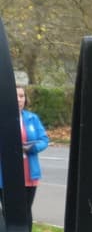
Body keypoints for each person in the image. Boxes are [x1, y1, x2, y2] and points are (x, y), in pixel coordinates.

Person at [0, 85, 50, 223]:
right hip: (6, 174)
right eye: (15, 96)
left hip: (28, 172)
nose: (19, 99)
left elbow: (44, 140)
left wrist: (32, 147)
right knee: (9, 211)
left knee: (26, 210)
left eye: (21, 96)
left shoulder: (32, 118)